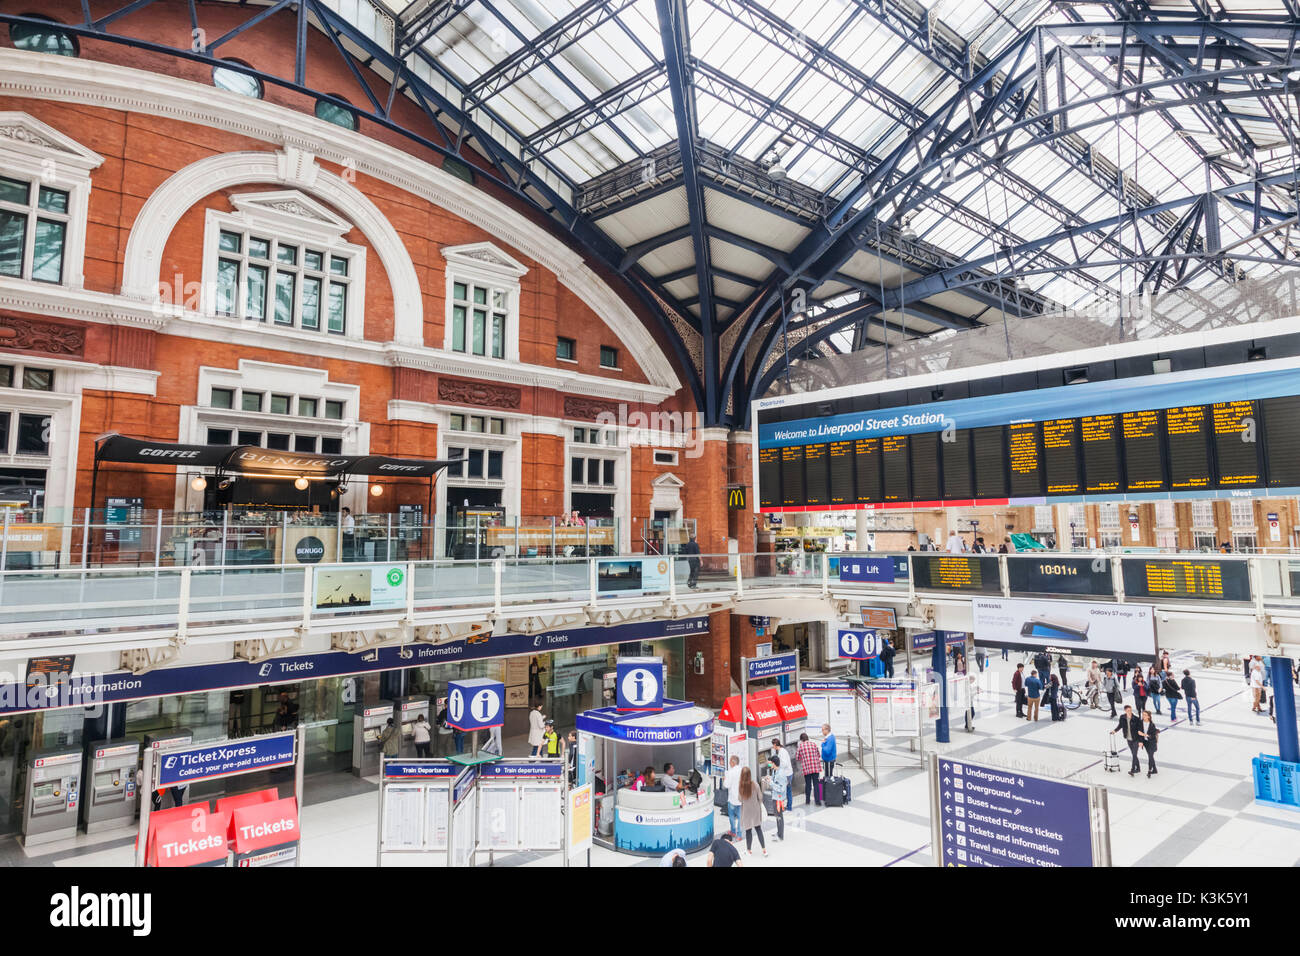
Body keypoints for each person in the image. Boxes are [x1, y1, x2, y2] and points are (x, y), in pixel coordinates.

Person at [737, 766, 766, 856]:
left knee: (748, 831)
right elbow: (760, 797)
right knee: (758, 829)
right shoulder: (755, 785)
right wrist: (757, 803)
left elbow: (740, 800)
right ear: (750, 775)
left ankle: (749, 850)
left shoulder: (741, 787)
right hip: (756, 810)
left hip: (746, 811)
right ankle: (764, 850)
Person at [765, 753, 789, 841]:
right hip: (775, 797)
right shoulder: (776, 771)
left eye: (770, 763)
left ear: (774, 763)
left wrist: (771, 783)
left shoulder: (781, 774)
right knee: (777, 816)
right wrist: (771, 778)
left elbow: (782, 788)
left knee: (779, 817)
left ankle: (780, 836)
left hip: (779, 799)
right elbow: (776, 781)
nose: (769, 764)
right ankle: (779, 832)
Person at [1115, 705, 1143, 776]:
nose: (1130, 712)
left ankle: (1133, 769)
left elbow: (1140, 730)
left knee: (1134, 754)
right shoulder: (1122, 717)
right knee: (1134, 754)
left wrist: (1140, 741)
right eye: (1128, 710)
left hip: (1136, 739)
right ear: (1125, 711)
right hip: (1128, 738)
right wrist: (1115, 731)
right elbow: (1120, 725)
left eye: (1130, 710)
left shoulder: (1136, 719)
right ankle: (1138, 768)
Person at [796, 732, 821, 805]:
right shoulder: (813, 744)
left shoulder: (800, 746)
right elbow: (818, 755)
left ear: (801, 740)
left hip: (807, 769)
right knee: (816, 784)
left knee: (808, 784)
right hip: (815, 767)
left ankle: (807, 801)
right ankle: (817, 801)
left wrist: (803, 757)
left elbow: (797, 758)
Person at [770, 738, 794, 808]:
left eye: (773, 745)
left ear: (775, 745)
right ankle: (787, 806)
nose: (772, 747)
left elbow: (784, 764)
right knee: (787, 790)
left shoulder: (782, 752)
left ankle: (788, 807)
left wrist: (777, 766)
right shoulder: (782, 751)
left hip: (787, 774)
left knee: (785, 791)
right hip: (788, 773)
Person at [724, 755, 743, 837]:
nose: (729, 763)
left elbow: (727, 785)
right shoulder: (742, 770)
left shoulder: (730, 772)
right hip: (741, 798)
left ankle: (733, 831)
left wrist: (724, 779)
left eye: (730, 761)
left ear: (733, 762)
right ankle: (739, 834)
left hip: (732, 798)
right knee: (740, 817)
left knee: (731, 816)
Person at [1140, 710, 1160, 776]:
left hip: (1151, 742)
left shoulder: (1151, 724)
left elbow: (1153, 735)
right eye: (1143, 714)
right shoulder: (1140, 722)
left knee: (1150, 756)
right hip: (1145, 742)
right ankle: (1155, 769)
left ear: (1148, 716)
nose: (1143, 716)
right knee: (1150, 756)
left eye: (1145, 715)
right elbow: (1138, 732)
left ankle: (1149, 770)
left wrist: (1145, 735)